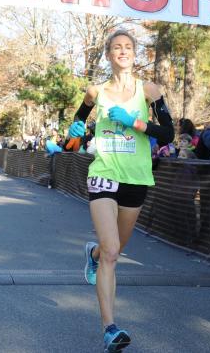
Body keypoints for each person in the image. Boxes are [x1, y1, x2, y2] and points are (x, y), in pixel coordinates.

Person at [67, 28, 174, 352]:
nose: (123, 51)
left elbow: (168, 134)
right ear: (109, 54)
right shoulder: (95, 91)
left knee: (112, 250)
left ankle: (93, 254)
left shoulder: (149, 90)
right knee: (112, 252)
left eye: (128, 46)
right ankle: (109, 328)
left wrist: (134, 122)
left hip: (136, 178)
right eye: (117, 47)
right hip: (104, 173)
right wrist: (75, 128)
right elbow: (77, 121)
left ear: (134, 53)